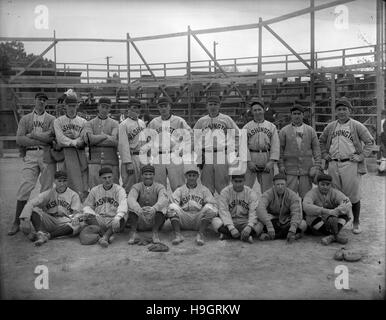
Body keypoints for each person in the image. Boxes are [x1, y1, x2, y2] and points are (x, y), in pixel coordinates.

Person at [319, 97, 374, 234]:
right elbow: (321, 141)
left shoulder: (356, 125)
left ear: (350, 111)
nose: (342, 112)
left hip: (350, 163)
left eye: (345, 109)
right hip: (333, 163)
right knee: (335, 194)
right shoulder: (331, 126)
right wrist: (325, 154)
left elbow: (370, 142)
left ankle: (356, 222)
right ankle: (338, 221)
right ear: (335, 112)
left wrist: (361, 156)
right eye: (339, 109)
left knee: (353, 195)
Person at [8, 92, 56, 236]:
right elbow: (19, 140)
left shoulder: (52, 119)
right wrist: (40, 139)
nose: (41, 102)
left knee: (46, 188)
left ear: (46, 103)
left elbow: (51, 138)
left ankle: (43, 221)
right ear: (34, 101)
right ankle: (16, 221)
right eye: (39, 99)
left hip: (46, 153)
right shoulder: (26, 118)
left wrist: (33, 136)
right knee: (25, 186)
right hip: (30, 154)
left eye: (43, 100)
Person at [18, 171, 82, 246]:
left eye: (64, 181)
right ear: (54, 181)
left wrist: (76, 218)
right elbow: (31, 203)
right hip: (50, 220)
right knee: (34, 210)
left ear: (67, 181)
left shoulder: (73, 195)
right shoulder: (48, 193)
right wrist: (25, 218)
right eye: (59, 181)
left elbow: (76, 212)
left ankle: (47, 236)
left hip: (65, 222)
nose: (62, 184)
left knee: (78, 225)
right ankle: (41, 233)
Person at [193, 95, 240, 194]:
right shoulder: (201, 121)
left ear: (219, 105)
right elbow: (194, 138)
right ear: (207, 106)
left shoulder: (226, 119)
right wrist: (198, 154)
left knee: (223, 184)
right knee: (206, 185)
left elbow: (237, 135)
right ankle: (210, 207)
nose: (213, 107)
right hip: (206, 155)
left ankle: (225, 206)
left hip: (222, 153)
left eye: (215, 104)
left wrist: (234, 150)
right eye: (210, 104)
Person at [147, 96, 192, 192]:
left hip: (174, 154)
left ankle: (179, 205)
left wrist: (184, 149)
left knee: (178, 184)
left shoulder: (179, 121)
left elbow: (190, 135)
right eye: (161, 106)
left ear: (169, 107)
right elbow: (148, 139)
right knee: (159, 185)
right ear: (158, 108)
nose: (163, 108)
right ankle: (161, 205)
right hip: (159, 155)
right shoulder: (154, 122)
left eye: (165, 106)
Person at [167, 164, 218, 246]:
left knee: (210, 208)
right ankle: (178, 235)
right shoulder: (180, 190)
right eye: (189, 175)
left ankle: (200, 234)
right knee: (171, 207)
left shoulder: (204, 189)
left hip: (198, 219)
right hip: (184, 218)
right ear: (186, 176)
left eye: (194, 175)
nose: (191, 178)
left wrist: (206, 208)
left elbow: (213, 204)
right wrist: (176, 210)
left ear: (197, 176)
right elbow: (172, 204)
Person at [278, 104, 322, 198]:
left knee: (306, 197)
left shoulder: (310, 130)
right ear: (291, 115)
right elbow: (280, 150)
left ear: (303, 115)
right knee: (289, 196)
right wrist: (281, 165)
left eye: (299, 113)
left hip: (306, 170)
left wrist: (317, 166)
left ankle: (305, 212)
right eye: (294, 114)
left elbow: (316, 149)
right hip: (290, 170)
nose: (297, 116)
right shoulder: (284, 131)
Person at [81, 167, 128, 248]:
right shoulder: (94, 190)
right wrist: (92, 213)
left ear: (113, 177)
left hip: (114, 219)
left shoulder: (119, 189)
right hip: (99, 219)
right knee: (88, 215)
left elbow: (123, 205)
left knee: (123, 217)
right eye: (104, 178)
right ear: (100, 179)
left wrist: (117, 217)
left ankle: (104, 237)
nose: (107, 180)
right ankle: (107, 236)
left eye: (109, 177)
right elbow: (87, 206)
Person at [53, 95, 89, 201]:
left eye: (74, 105)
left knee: (80, 185)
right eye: (70, 106)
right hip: (65, 154)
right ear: (65, 106)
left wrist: (73, 137)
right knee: (64, 182)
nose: (72, 108)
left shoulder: (83, 121)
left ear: (77, 106)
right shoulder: (58, 121)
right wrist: (74, 141)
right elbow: (60, 139)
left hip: (79, 155)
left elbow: (83, 139)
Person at [211, 169, 260, 243]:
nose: (238, 184)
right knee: (215, 221)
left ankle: (227, 235)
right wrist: (231, 228)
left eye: (240, 181)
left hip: (245, 221)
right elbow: (223, 211)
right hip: (230, 221)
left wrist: (249, 226)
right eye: (236, 181)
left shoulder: (250, 193)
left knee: (260, 223)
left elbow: (253, 211)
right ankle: (245, 237)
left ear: (244, 181)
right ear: (231, 181)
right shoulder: (225, 192)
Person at [303, 173, 352, 245]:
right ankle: (335, 235)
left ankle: (332, 236)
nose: (325, 187)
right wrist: (327, 211)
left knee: (346, 212)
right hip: (319, 218)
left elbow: (347, 202)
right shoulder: (311, 193)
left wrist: (336, 211)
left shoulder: (335, 192)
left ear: (331, 185)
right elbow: (306, 206)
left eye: (328, 184)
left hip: (331, 218)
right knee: (310, 217)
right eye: (322, 184)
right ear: (317, 184)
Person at [256, 173, 307, 242]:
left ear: (286, 184)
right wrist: (269, 225)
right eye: (278, 184)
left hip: (286, 220)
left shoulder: (293, 195)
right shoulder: (267, 194)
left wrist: (292, 229)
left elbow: (296, 213)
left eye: (282, 184)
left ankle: (273, 236)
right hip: (272, 219)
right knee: (258, 226)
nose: (280, 187)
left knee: (303, 224)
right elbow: (260, 208)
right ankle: (293, 236)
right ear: (274, 185)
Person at [243, 99, 280, 193]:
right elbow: (242, 145)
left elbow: (275, 145)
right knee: (246, 188)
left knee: (267, 189)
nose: (257, 112)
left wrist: (271, 161)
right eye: (255, 110)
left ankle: (266, 207)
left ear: (263, 110)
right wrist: (248, 162)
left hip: (266, 156)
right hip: (251, 156)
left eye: (259, 109)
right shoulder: (247, 127)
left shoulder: (271, 126)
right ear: (251, 112)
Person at [126, 164, 169, 244]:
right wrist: (138, 209)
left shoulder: (160, 187)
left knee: (162, 210)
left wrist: (154, 208)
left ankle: (155, 233)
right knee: (131, 209)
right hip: (140, 217)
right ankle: (133, 233)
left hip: (154, 218)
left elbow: (163, 199)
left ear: (154, 175)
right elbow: (131, 199)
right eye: (146, 174)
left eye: (150, 174)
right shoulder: (136, 186)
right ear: (142, 175)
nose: (148, 177)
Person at [84, 97, 119, 189]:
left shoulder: (115, 123)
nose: (104, 110)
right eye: (102, 106)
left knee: (112, 189)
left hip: (111, 161)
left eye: (107, 107)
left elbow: (114, 140)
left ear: (110, 109)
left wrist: (96, 140)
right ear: (98, 107)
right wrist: (105, 136)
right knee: (95, 189)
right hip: (94, 161)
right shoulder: (89, 123)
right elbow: (89, 140)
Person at [118, 98, 147, 193]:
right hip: (131, 157)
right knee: (129, 185)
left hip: (142, 157)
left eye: (138, 107)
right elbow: (123, 144)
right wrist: (128, 162)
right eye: (134, 107)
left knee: (142, 185)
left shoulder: (142, 123)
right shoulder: (123, 124)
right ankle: (127, 206)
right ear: (128, 108)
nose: (136, 109)